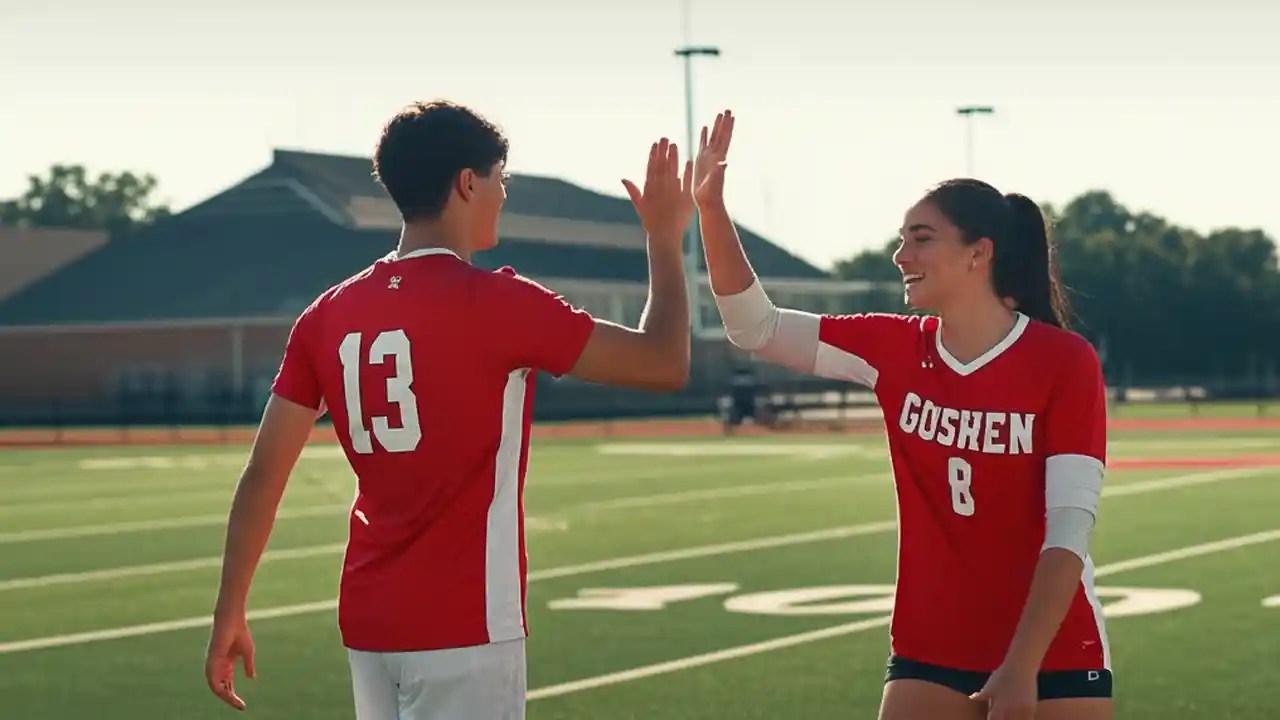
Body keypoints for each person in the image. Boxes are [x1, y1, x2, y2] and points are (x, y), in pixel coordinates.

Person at [203, 100, 696, 719]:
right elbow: (663, 362)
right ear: (468, 182)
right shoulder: (501, 303)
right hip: (466, 623)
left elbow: (262, 477)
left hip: (370, 623)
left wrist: (229, 611)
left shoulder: (326, 313)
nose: (504, 194)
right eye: (500, 179)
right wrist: (663, 241)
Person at [693, 110, 1112, 720]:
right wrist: (711, 209)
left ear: (979, 254)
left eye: (921, 238)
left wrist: (1022, 665)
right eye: (901, 237)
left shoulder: (1063, 360)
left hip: (1053, 650)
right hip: (931, 644)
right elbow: (754, 325)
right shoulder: (894, 347)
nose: (899, 255)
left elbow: (1068, 531)